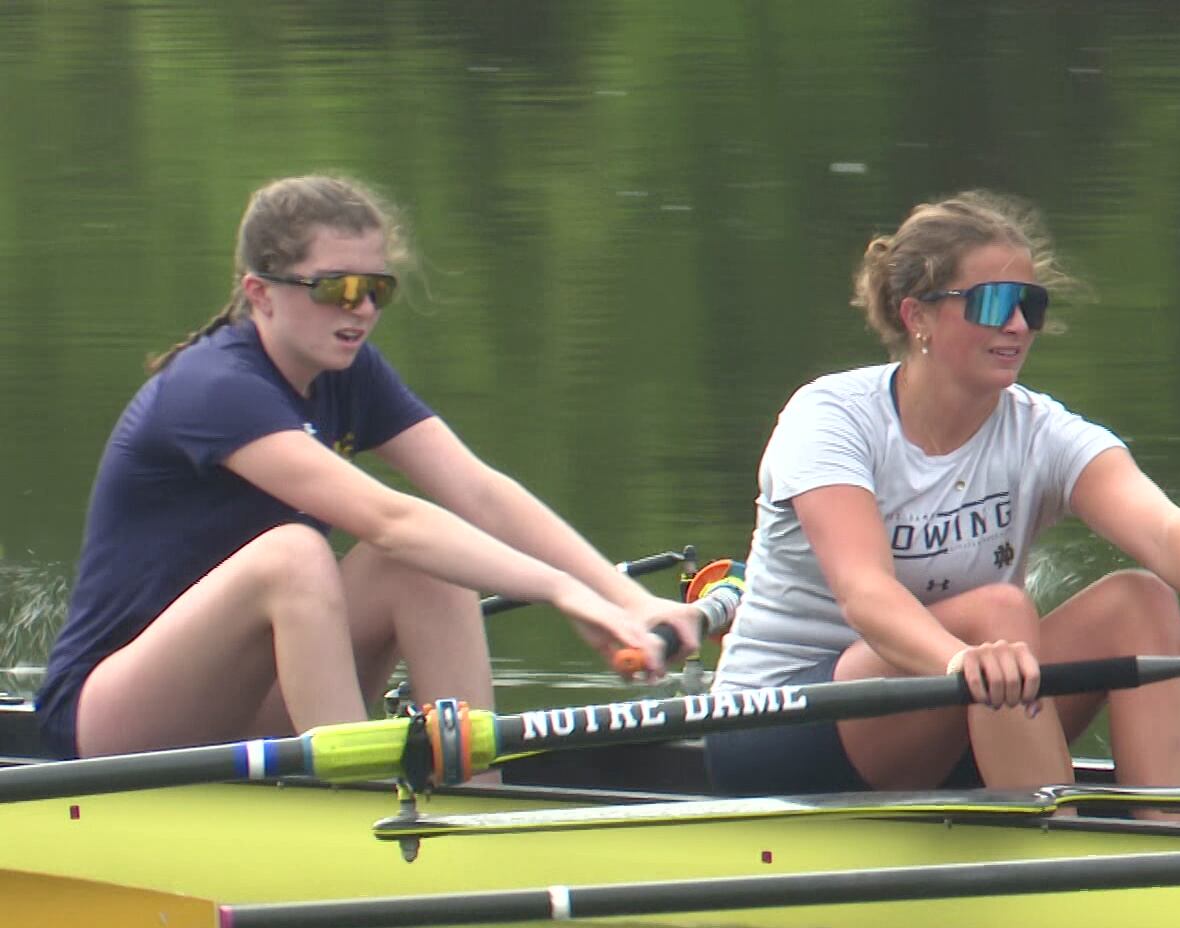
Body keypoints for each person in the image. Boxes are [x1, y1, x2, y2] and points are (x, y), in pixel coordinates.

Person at [704, 190, 1180, 805]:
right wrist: (961, 666)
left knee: (1139, 601)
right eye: (992, 304)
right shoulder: (831, 418)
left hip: (961, 711)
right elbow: (865, 594)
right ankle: (1060, 845)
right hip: (781, 730)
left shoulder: (1040, 432)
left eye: (1030, 306)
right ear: (917, 315)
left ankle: (1172, 842)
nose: (1017, 325)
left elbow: (1161, 528)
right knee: (998, 613)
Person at [36, 175, 701, 760]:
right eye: (337, 288)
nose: (361, 309)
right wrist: (561, 593)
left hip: (251, 704)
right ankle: (356, 818)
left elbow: (480, 492)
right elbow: (390, 518)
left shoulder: (348, 373)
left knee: (423, 565)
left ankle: (478, 806)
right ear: (259, 293)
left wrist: (627, 600)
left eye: (376, 289)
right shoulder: (213, 385)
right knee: (295, 555)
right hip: (114, 723)